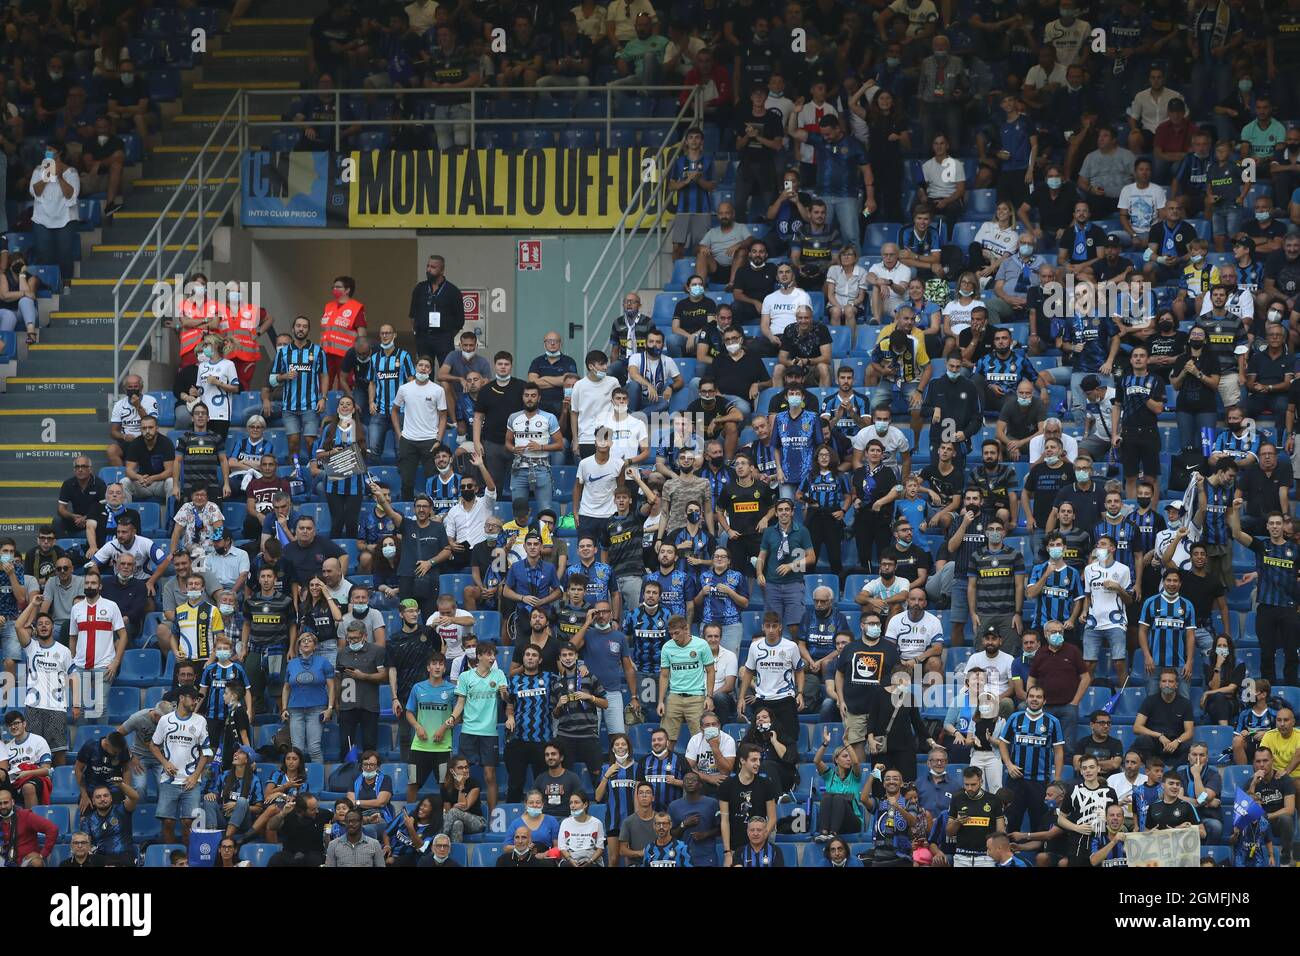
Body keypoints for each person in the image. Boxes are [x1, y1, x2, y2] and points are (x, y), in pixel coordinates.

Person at [149, 684, 211, 845]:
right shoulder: (165, 720)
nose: (195, 702)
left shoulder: (200, 721)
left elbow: (206, 752)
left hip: (191, 781)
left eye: (197, 699)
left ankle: (188, 858)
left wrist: (195, 775)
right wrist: (164, 762)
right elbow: (153, 745)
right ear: (182, 698)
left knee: (188, 823)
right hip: (169, 780)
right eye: (193, 698)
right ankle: (173, 857)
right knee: (167, 822)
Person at [12, 602, 72, 767]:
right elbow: (18, 625)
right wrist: (33, 604)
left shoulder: (64, 651)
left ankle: (59, 786)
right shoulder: (31, 647)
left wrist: (78, 703)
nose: (44, 626)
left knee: (59, 752)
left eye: (47, 623)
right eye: (40, 624)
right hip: (33, 708)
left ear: (53, 627)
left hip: (57, 708)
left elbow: (74, 677)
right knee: (33, 752)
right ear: (36, 629)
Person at [657, 616, 715, 749]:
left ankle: (702, 768)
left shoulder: (701, 645)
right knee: (667, 738)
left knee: (701, 738)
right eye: (671, 634)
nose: (674, 637)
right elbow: (664, 675)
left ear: (686, 629)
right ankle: (665, 767)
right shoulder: (667, 647)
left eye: (676, 633)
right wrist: (661, 701)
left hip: (696, 697)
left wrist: (709, 696)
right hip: (674, 696)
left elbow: (711, 671)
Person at [29, 140, 79, 292]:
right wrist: (45, 177)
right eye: (47, 149)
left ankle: (66, 285)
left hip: (65, 219)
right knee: (44, 253)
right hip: (42, 219)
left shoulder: (71, 172)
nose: (47, 152)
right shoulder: (38, 170)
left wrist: (59, 176)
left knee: (65, 253)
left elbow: (72, 195)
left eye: (51, 149)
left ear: (60, 153)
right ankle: (48, 286)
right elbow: (35, 191)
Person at [281, 631, 335, 763]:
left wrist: (330, 708)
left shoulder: (324, 662)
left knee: (314, 748)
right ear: (298, 646)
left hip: (317, 710)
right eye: (302, 640)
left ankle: (318, 780)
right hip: (295, 710)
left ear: (315, 646)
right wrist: (284, 708)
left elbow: (332, 687)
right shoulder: (291, 664)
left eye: (309, 640)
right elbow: (286, 687)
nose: (305, 642)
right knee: (297, 750)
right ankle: (297, 782)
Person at [1132, 668, 1196, 766]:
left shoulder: (1185, 703)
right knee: (1142, 740)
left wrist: (1177, 741)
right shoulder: (1149, 701)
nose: (1167, 684)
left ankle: (1176, 772)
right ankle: (1152, 767)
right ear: (1160, 684)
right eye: (1164, 681)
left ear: (1176, 685)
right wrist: (1159, 736)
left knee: (1189, 745)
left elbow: (1189, 732)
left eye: (1170, 681)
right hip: (1156, 742)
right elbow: (1137, 727)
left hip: (1175, 743)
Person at [1246, 745, 1295, 865]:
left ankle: (1285, 859)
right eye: (1258, 761)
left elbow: (1289, 809)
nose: (1261, 764)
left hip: (1277, 823)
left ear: (1272, 761)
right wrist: (1253, 784)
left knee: (1286, 819)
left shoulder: (1284, 780)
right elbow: (1245, 810)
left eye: (1265, 760)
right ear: (1254, 763)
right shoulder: (1251, 781)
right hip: (1259, 825)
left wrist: (1267, 816)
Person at [947, 766, 1005, 867]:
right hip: (961, 857)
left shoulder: (994, 800)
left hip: (986, 858)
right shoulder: (957, 799)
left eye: (973, 784)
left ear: (981, 781)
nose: (969, 788)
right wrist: (957, 822)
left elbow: (1001, 832)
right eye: (966, 784)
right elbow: (949, 832)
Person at [0, 787, 58, 867]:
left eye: (5, 803)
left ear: (12, 802)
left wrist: (42, 854)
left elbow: (52, 829)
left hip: (25, 859)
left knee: (36, 863)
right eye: (0, 803)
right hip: (3, 857)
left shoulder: (25, 815)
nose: (2, 806)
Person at [558, 791, 606, 867]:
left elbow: (600, 848)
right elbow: (562, 847)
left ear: (585, 804)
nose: (572, 805)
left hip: (591, 860)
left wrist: (589, 861)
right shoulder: (565, 822)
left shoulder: (596, 823)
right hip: (570, 859)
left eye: (576, 802)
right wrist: (571, 860)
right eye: (571, 803)